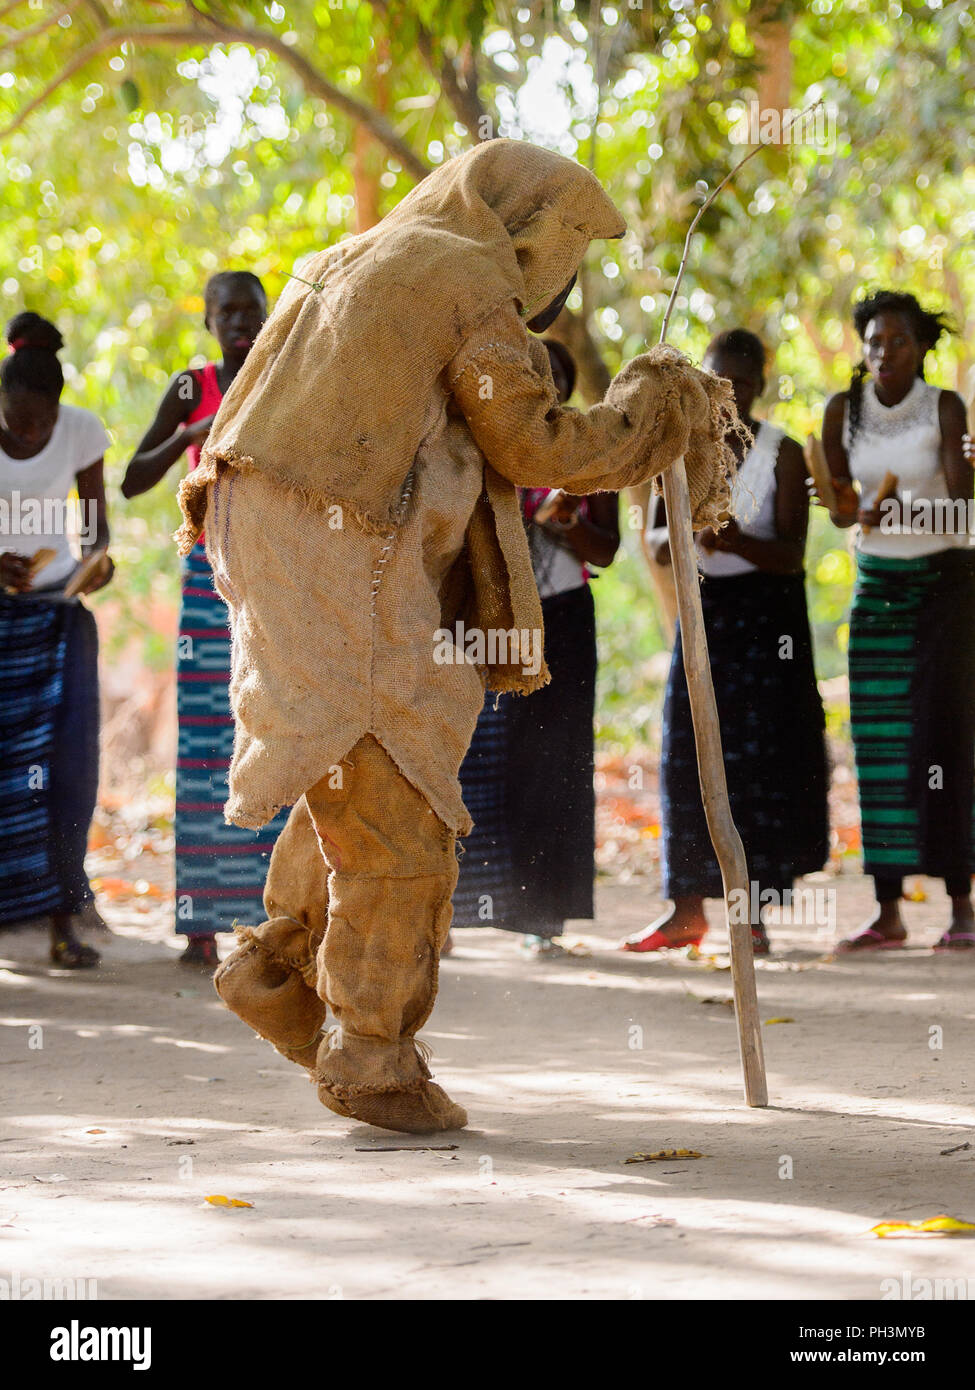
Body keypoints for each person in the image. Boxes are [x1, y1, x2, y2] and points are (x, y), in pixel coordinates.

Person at [178, 139, 740, 1134]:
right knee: (401, 809)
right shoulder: (467, 279)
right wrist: (655, 412)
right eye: (570, 240)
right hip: (334, 538)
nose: (566, 267)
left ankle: (280, 972)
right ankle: (373, 1057)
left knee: (349, 756)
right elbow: (531, 445)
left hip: (267, 534)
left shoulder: (347, 258)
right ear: (526, 224)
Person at [622, 329, 828, 955]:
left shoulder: (784, 453)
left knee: (758, 759)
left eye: (736, 383)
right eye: (713, 381)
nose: (723, 395)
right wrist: (692, 533)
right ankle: (686, 909)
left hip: (768, 623)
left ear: (758, 388)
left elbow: (792, 555)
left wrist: (736, 541)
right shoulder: (679, 450)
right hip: (704, 611)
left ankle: (753, 912)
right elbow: (654, 541)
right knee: (686, 750)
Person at [122, 272, 289, 970]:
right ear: (208, 321)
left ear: (268, 316)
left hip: (279, 580)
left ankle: (275, 917)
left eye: (252, 311)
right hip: (207, 580)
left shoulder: (287, 374)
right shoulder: (192, 389)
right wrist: (192, 433)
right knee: (204, 747)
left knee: (275, 734)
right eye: (227, 312)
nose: (240, 323)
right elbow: (131, 478)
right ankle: (200, 922)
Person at [453, 339, 620, 956]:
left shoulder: (586, 450)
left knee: (558, 764)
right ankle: (460, 911)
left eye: (554, 376)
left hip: (564, 619)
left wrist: (568, 523)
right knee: (480, 761)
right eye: (532, 373)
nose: (542, 384)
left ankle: (543, 915)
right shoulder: (485, 442)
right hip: (495, 619)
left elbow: (609, 550)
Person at [820, 290, 974, 951]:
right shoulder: (839, 412)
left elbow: (963, 511)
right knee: (880, 748)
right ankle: (887, 909)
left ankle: (960, 907)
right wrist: (854, 513)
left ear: (920, 347)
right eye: (874, 341)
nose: (884, 352)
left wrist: (901, 514)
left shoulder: (942, 406)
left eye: (898, 341)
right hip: (876, 591)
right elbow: (836, 510)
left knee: (948, 742)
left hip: (946, 589)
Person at [0, 312, 113, 967]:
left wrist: (97, 565)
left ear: (58, 408)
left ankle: (63, 923)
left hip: (55, 618)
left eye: (40, 422)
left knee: (66, 770)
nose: (30, 432)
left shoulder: (81, 432)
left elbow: (96, 529)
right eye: (17, 422)